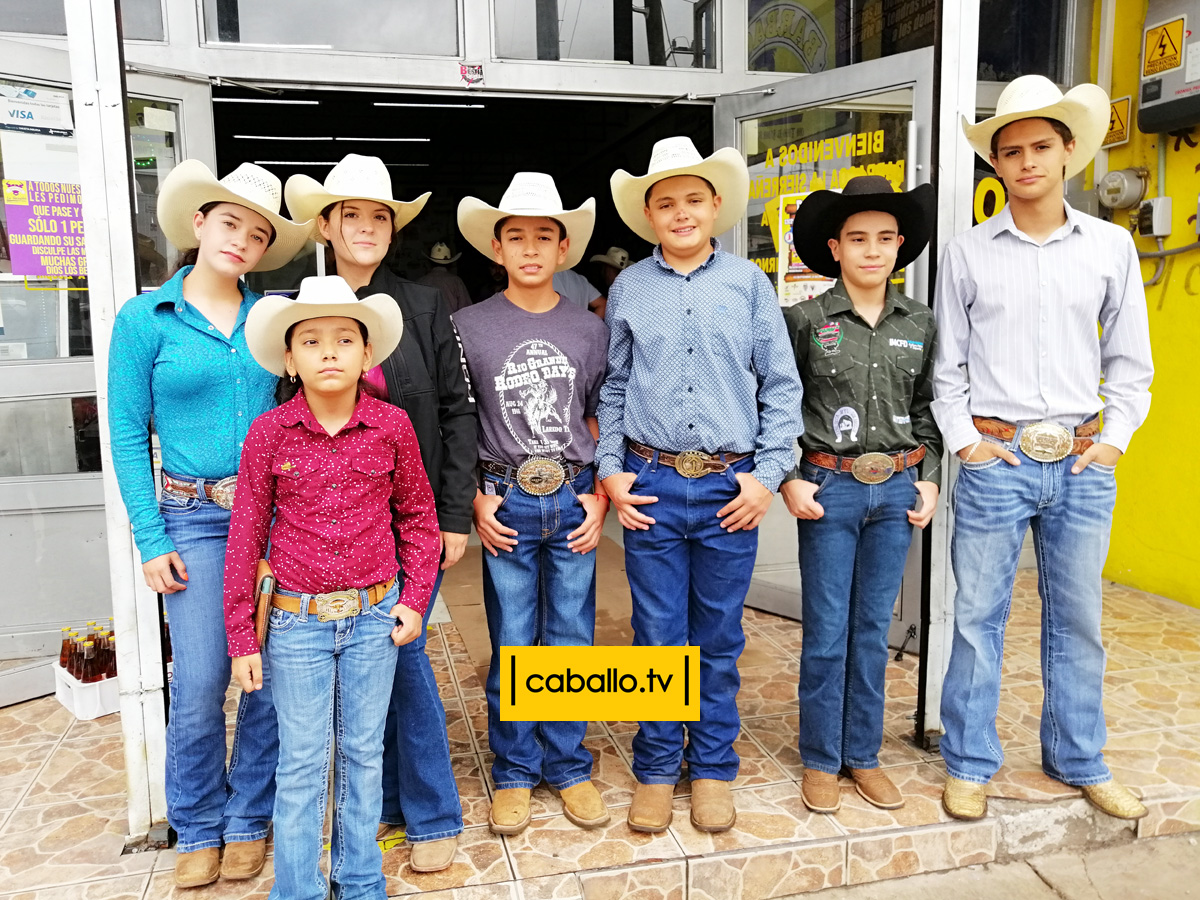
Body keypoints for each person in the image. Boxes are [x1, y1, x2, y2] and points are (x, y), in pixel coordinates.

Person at [931, 76, 1154, 822]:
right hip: (998, 458)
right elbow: (948, 366)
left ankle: (1079, 757)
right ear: (995, 165)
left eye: (1040, 148)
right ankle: (968, 761)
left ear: (1067, 154)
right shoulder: (967, 253)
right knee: (977, 618)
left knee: (1078, 619)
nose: (1025, 162)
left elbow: (1130, 362)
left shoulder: (1111, 246)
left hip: (1084, 460)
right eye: (1011, 151)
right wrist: (965, 445)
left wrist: (1115, 443)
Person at [108, 161, 310, 888]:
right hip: (189, 517)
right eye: (231, 224)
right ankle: (196, 822)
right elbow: (128, 434)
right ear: (198, 224)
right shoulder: (144, 320)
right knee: (199, 680)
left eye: (258, 235)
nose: (242, 242)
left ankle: (248, 818)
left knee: (270, 679)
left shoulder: (270, 320)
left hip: (272, 519)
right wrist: (150, 535)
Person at [596, 137, 804, 833]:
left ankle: (712, 765)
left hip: (728, 490)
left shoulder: (747, 284)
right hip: (651, 483)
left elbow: (781, 385)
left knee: (716, 638)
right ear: (649, 215)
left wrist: (767, 477)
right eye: (666, 203)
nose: (680, 213)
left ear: (716, 206)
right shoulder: (630, 287)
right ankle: (658, 766)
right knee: (657, 637)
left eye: (693, 200)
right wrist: (611, 472)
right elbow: (614, 386)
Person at [224, 275, 441, 900]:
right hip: (296, 624)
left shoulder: (392, 426)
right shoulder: (269, 432)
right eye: (311, 340)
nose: (328, 352)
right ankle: (297, 889)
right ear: (288, 359)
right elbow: (245, 538)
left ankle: (360, 881)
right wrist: (244, 637)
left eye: (344, 339)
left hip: (374, 618)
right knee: (300, 764)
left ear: (366, 355)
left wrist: (415, 600)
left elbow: (418, 519)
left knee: (363, 753)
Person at [285, 154, 472, 871]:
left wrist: (452, 515)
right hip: (325, 531)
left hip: (407, 527)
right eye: (351, 214)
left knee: (407, 659)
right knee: (346, 679)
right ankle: (381, 805)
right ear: (326, 224)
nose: (366, 227)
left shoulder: (424, 306)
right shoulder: (295, 304)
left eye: (380, 217)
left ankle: (429, 813)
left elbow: (456, 411)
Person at [454, 172, 611, 835]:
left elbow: (606, 417)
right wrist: (471, 501)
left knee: (571, 632)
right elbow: (454, 421)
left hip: (574, 493)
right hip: (505, 496)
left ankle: (569, 764)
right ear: (497, 247)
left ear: (564, 247)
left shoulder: (590, 330)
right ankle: (517, 768)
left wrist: (601, 496)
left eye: (543, 237)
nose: (529, 249)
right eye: (515, 236)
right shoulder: (467, 326)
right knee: (516, 634)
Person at [779, 176, 941, 814]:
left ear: (901, 246)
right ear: (834, 247)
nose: (872, 250)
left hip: (895, 489)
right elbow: (778, 403)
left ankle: (863, 755)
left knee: (872, 630)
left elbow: (929, 405)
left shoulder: (921, 323)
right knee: (826, 629)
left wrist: (927, 476)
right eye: (857, 239)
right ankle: (821, 757)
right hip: (829, 489)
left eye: (884, 238)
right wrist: (790, 476)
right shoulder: (805, 322)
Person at [419, 240, 473, 314]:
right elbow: (466, 309)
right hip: (451, 324)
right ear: (450, 264)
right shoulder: (456, 281)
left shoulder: (420, 282)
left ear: (430, 263)